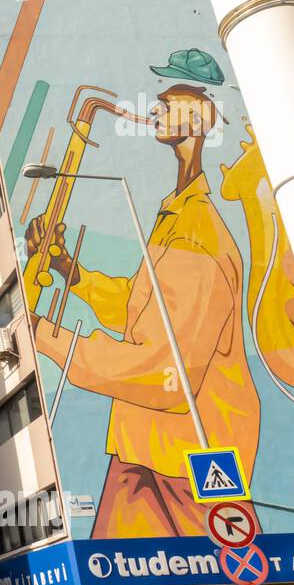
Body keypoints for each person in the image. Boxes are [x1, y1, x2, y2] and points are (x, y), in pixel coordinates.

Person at [26, 52, 259, 538]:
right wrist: (69, 270)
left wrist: (48, 338)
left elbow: (163, 372)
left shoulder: (200, 235)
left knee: (215, 579)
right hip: (142, 451)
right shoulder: (175, 215)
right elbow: (140, 310)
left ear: (201, 117)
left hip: (188, 465)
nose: (153, 110)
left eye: (167, 102)